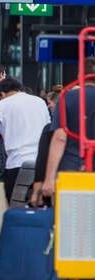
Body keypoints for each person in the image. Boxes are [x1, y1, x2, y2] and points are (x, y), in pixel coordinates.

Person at [0, 77, 51, 203]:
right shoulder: (39, 101)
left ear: (2, 94)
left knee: (16, 205)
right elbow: (48, 128)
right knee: (40, 206)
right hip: (41, 163)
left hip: (16, 163)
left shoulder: (2, 104)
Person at [41, 57, 95, 200]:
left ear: (79, 75)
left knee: (70, 219)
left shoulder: (68, 97)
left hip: (72, 169)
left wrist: (49, 179)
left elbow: (60, 137)